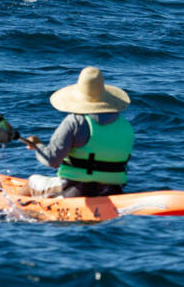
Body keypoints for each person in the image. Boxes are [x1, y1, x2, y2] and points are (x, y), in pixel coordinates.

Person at [23, 66, 134, 198]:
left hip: (75, 189)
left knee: (32, 181)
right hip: (113, 190)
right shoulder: (126, 126)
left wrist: (37, 146)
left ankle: (12, 208)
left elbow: (52, 160)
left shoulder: (75, 121)